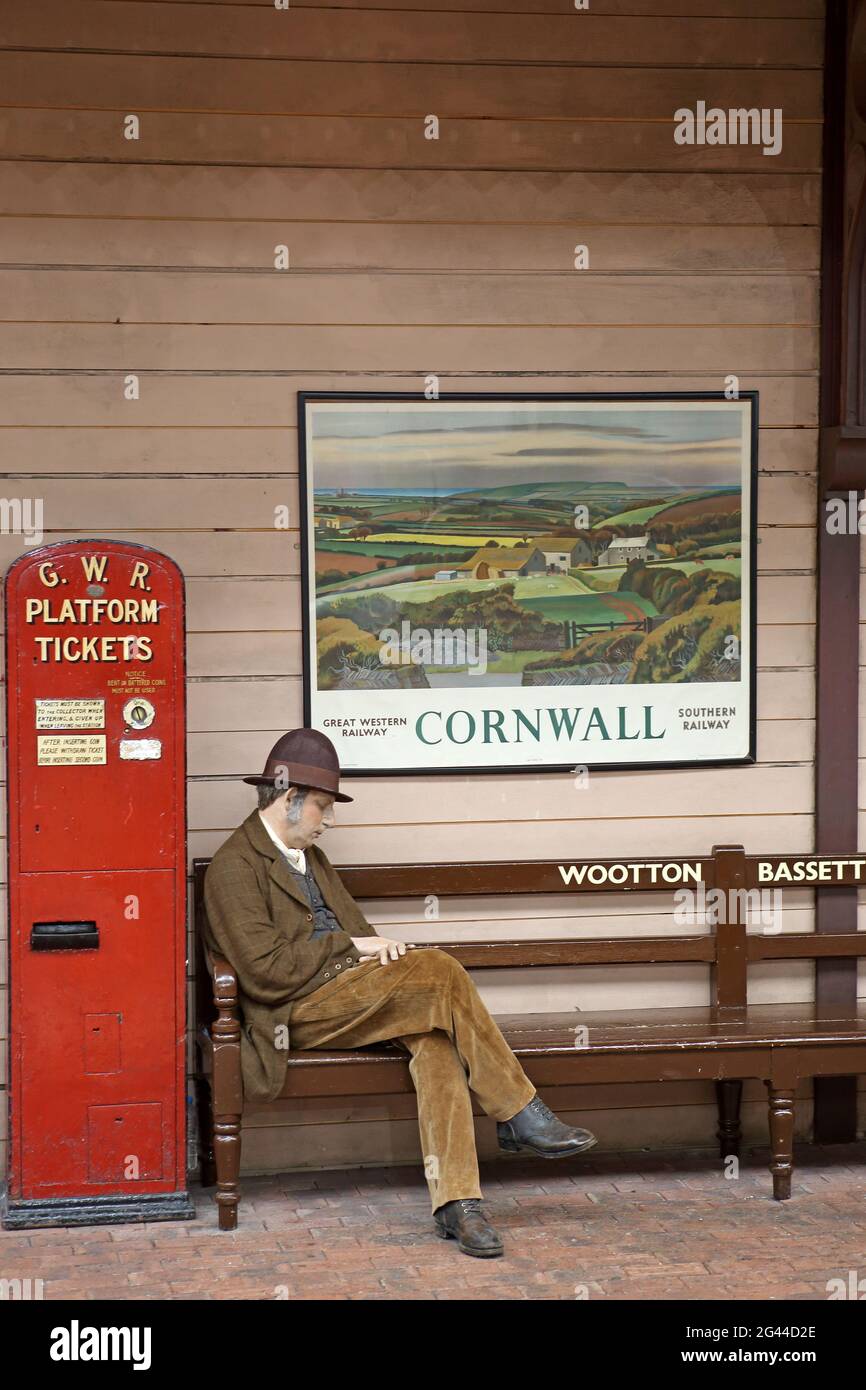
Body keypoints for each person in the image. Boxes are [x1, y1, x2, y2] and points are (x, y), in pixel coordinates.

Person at [203, 728, 598, 1258]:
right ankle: (517, 1113)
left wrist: (372, 954)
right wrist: (354, 949)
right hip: (291, 1011)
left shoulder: (308, 857)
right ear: (290, 799)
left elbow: (353, 934)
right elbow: (265, 972)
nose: (331, 821)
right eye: (323, 807)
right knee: (437, 968)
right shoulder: (235, 867)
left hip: (350, 997)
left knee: (437, 1042)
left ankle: (459, 1205)